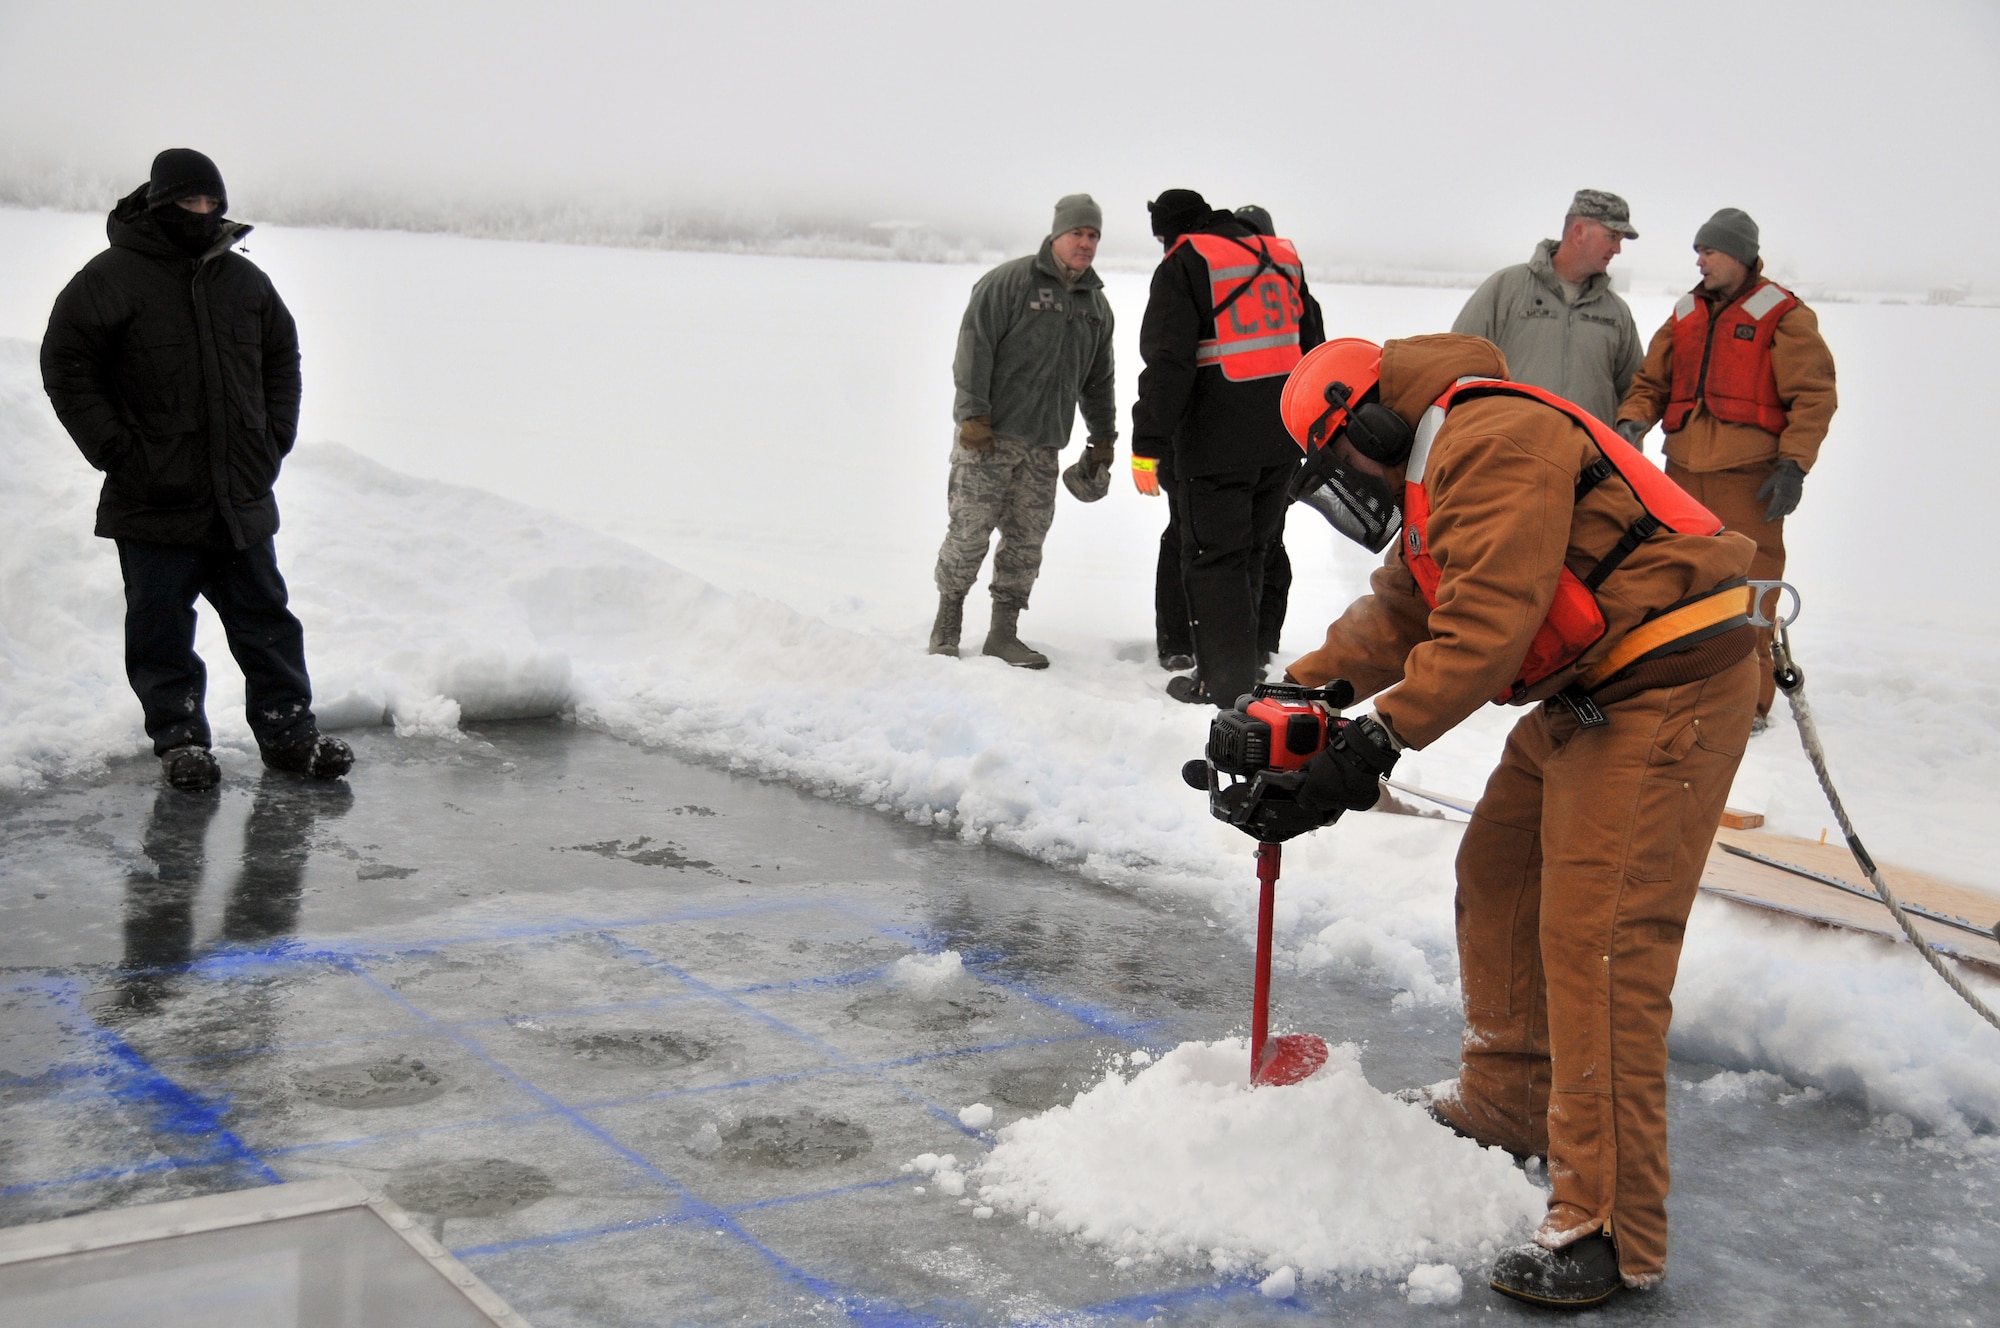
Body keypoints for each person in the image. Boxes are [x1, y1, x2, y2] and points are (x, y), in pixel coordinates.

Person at [1269, 335, 1760, 1307]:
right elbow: (1402, 612)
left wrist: (1372, 744)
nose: (1343, 494)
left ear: (1368, 421)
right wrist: (1290, 699)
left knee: (1600, 941)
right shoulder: (1437, 462)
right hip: (1592, 688)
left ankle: (1609, 1227)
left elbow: (1489, 623)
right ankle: (1509, 1094)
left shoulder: (1492, 439)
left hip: (1666, 685)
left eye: (1338, 466)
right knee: (1497, 868)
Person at [42, 149, 353, 792]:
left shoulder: (244, 283)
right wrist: (120, 453)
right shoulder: (109, 279)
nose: (205, 213)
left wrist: (271, 440)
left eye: (213, 203)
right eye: (191, 202)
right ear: (161, 202)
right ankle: (180, 743)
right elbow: (67, 367)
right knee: (161, 629)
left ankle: (291, 736)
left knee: (267, 621)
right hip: (152, 495)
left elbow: (281, 361)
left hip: (237, 490)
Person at [1615, 208, 1836, 729]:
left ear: (1738, 255)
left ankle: (1751, 703)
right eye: (1698, 251)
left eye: (1709, 251)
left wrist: (1793, 466)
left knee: (1752, 588)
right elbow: (1652, 382)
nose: (1700, 261)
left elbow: (1814, 397)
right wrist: (1632, 422)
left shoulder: (1786, 316)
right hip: (1682, 478)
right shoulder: (1685, 312)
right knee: (1678, 583)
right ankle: (1677, 685)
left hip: (1750, 480)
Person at [1131, 189, 1323, 704]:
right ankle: (1245, 670)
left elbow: (1169, 363)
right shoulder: (1279, 256)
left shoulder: (1185, 262)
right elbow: (1313, 346)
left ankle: (1222, 685)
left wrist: (1147, 443)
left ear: (1171, 232)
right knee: (1253, 554)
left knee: (1214, 559)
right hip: (1282, 438)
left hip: (1215, 442)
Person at [929, 194, 1118, 668]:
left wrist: (1103, 439)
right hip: (988, 438)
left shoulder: (1096, 306)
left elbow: (1100, 379)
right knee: (969, 531)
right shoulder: (1009, 283)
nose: (1086, 243)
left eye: (1093, 235)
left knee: (1025, 542)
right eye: (1079, 233)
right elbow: (974, 348)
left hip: (1044, 444)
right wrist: (972, 415)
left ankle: (1003, 633)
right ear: (1058, 234)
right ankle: (947, 621)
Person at [1452, 189, 1645, 427]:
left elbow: (1636, 392)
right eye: (1612, 236)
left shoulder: (1616, 312)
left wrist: (1626, 443)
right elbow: (1457, 364)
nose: (1618, 249)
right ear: (1579, 232)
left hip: (1587, 460)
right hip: (1510, 453)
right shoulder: (1505, 289)